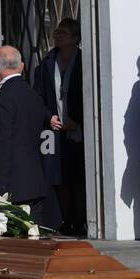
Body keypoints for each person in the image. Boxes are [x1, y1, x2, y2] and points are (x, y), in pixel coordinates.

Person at [0, 45, 61, 230]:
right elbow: (42, 116)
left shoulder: (1, 97)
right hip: (35, 185)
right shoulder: (32, 94)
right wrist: (49, 118)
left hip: (12, 190)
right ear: (22, 66)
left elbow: (1, 144)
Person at [32, 18, 86, 235]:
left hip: (78, 130)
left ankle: (80, 220)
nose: (58, 36)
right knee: (57, 176)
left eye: (63, 33)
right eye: (56, 33)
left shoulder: (84, 62)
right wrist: (48, 117)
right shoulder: (47, 63)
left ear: (74, 38)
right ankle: (65, 219)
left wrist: (77, 120)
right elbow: (38, 97)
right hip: (54, 130)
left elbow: (90, 94)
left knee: (77, 177)